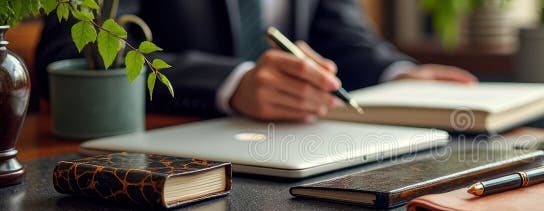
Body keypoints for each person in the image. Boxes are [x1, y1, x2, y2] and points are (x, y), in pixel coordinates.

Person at [35, 0, 477, 121]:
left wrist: (398, 73)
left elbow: (340, 30)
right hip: (167, 156)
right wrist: (232, 82)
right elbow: (72, 50)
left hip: (291, 146)